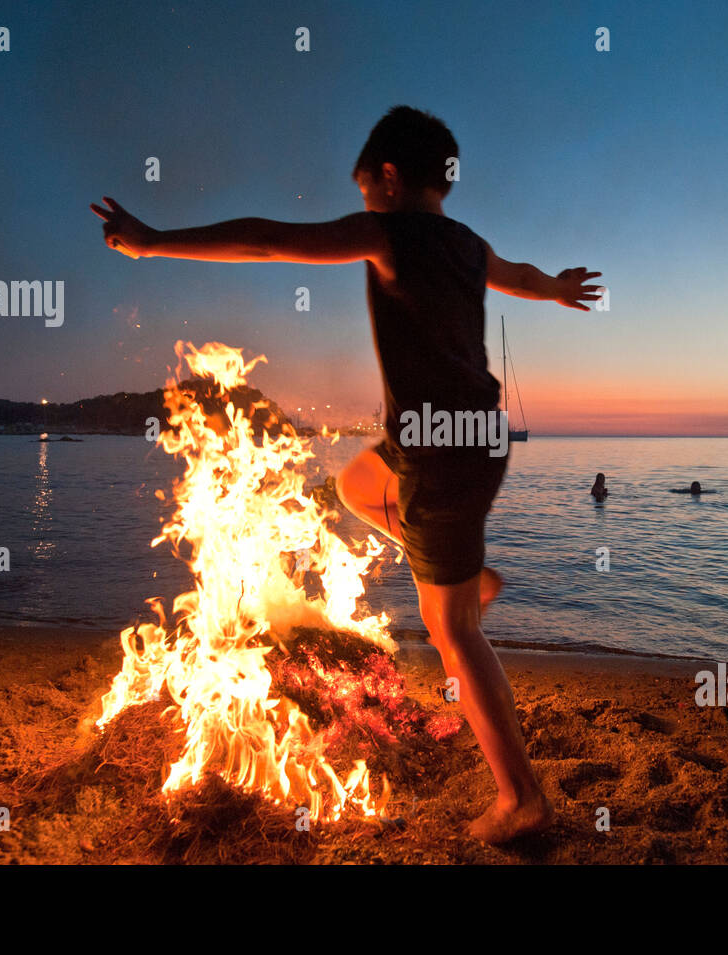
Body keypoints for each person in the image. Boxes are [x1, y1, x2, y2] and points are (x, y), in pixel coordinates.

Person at [91, 105, 601, 843]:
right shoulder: (468, 242)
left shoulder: (388, 231)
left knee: (449, 629)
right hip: (465, 438)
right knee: (355, 487)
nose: (362, 202)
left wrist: (153, 242)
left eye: (365, 189)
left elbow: (269, 242)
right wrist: (553, 286)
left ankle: (521, 797)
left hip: (435, 453)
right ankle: (467, 578)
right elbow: (515, 274)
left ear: (388, 178)